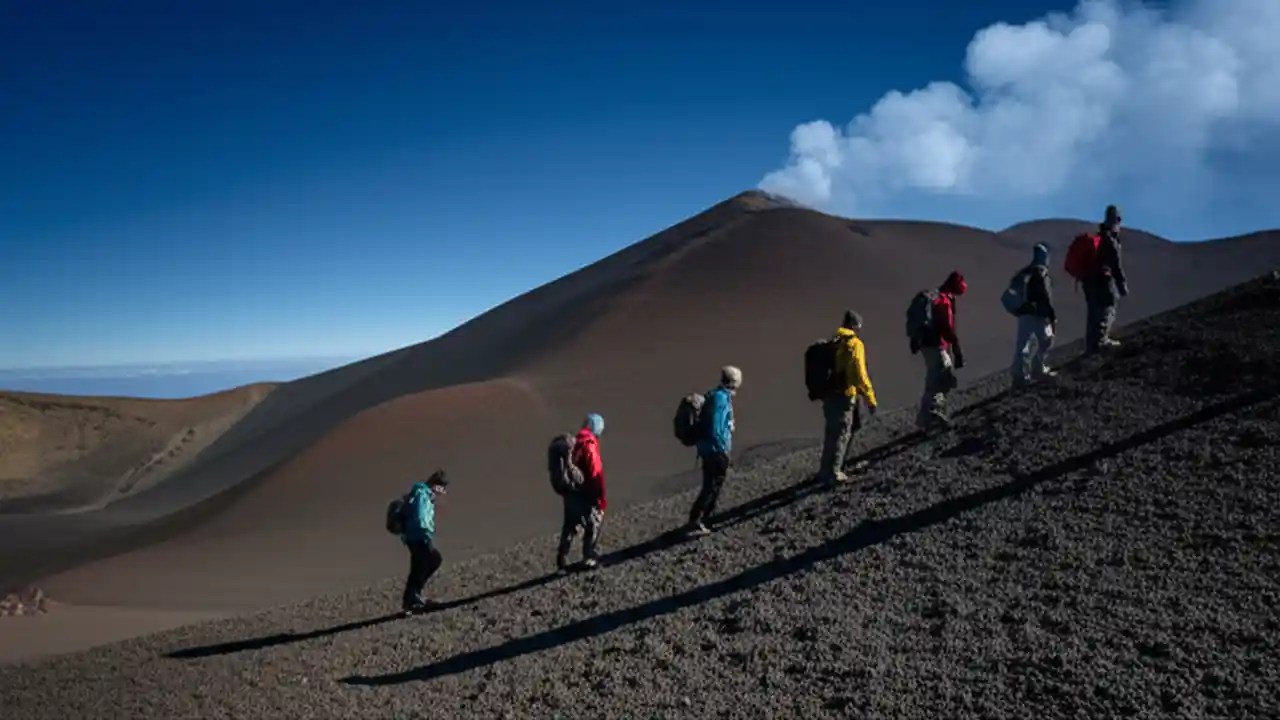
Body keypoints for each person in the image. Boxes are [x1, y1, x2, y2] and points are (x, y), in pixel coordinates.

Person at [818, 311, 878, 485]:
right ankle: (833, 472)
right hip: (844, 395)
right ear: (854, 325)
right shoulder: (854, 344)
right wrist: (870, 399)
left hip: (829, 394)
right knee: (841, 433)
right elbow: (859, 374)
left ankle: (826, 469)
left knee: (833, 432)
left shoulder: (834, 341)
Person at [686, 365, 741, 537]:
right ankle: (696, 520)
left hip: (709, 449)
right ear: (734, 382)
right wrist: (723, 448)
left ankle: (703, 517)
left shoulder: (716, 395)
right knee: (711, 486)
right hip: (715, 451)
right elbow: (716, 428)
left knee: (713, 485)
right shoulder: (721, 399)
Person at [917, 271, 967, 430]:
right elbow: (946, 327)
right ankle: (934, 412)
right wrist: (956, 347)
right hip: (937, 344)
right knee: (943, 375)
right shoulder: (944, 301)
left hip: (926, 345)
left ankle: (924, 419)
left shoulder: (937, 297)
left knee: (932, 378)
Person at [559, 413, 607, 570]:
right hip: (585, 494)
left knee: (570, 525)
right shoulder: (590, 444)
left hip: (570, 492)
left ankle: (562, 556)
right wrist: (600, 498)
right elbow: (595, 474)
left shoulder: (575, 442)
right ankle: (588, 556)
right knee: (593, 523)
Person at [400, 470, 449, 615]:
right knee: (432, 560)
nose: (443, 492)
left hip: (413, 536)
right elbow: (421, 515)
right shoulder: (423, 494)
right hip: (418, 536)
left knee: (420, 565)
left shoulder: (422, 493)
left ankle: (413, 597)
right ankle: (412, 597)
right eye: (442, 487)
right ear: (436, 484)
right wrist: (427, 530)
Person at [1011, 243, 1058, 386]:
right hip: (1038, 314)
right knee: (1042, 340)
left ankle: (1025, 374)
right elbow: (1045, 296)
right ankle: (1029, 373)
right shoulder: (1039, 273)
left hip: (1028, 314)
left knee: (1031, 344)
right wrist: (1051, 315)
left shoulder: (1025, 273)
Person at [1084, 204, 1128, 353]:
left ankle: (1091, 344)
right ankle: (1101, 341)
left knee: (1094, 312)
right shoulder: (1110, 240)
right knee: (1108, 308)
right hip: (1102, 279)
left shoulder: (1099, 237)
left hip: (1089, 280)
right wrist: (1122, 285)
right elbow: (1116, 264)